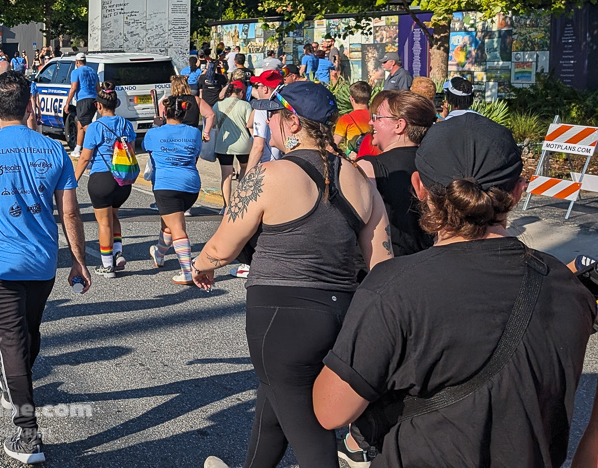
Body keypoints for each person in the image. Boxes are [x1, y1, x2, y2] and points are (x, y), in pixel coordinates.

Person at [312, 113, 595, 468]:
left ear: (419, 188)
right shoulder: (569, 285)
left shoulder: (394, 285)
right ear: (519, 191)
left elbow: (330, 411)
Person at [194, 81, 391, 468]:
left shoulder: (272, 174)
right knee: (275, 409)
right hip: (340, 313)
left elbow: (222, 248)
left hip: (282, 318)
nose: (268, 125)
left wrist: (201, 265)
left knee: (312, 437)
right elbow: (382, 262)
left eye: (273, 117)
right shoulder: (359, 179)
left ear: (294, 123)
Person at [0, 71, 90, 465]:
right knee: (28, 334)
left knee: (11, 341)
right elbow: (70, 211)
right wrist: (78, 260)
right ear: (31, 106)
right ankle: (15, 383)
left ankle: (27, 433)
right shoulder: (55, 151)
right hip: (43, 263)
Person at [357, 90, 436, 258]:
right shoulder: (439, 164)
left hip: (384, 267)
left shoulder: (368, 167)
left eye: (378, 117)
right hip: (431, 263)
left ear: (399, 125)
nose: (371, 122)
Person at [75, 82, 137, 278]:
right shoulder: (126, 124)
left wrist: (74, 179)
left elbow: (85, 157)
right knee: (113, 216)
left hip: (102, 179)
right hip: (122, 180)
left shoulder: (94, 127)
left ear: (98, 105)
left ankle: (107, 265)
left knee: (103, 222)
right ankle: (118, 252)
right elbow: (132, 151)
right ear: (116, 104)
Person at [146, 94, 203, 285]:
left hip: (166, 184)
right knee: (169, 222)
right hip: (191, 185)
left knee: (177, 227)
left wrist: (157, 126)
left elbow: (149, 150)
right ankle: (159, 254)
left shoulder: (154, 133)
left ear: (164, 112)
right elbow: (195, 156)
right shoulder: (194, 132)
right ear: (185, 111)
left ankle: (187, 272)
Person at [212, 80, 255, 214]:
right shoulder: (245, 105)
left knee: (226, 175)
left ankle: (226, 206)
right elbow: (250, 125)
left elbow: (213, 124)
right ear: (241, 92)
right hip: (243, 144)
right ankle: (240, 201)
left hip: (223, 144)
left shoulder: (218, 105)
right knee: (244, 169)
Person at [333, 81, 380, 160]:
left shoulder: (346, 119)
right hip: (376, 160)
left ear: (351, 98)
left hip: (355, 161)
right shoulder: (377, 117)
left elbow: (334, 145)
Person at [64, 53, 99, 158]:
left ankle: (96, 146)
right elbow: (98, 88)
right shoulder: (93, 71)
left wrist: (67, 103)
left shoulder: (76, 72)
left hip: (83, 99)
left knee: (85, 125)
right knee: (80, 123)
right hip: (94, 99)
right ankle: (78, 148)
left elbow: (74, 88)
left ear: (77, 62)